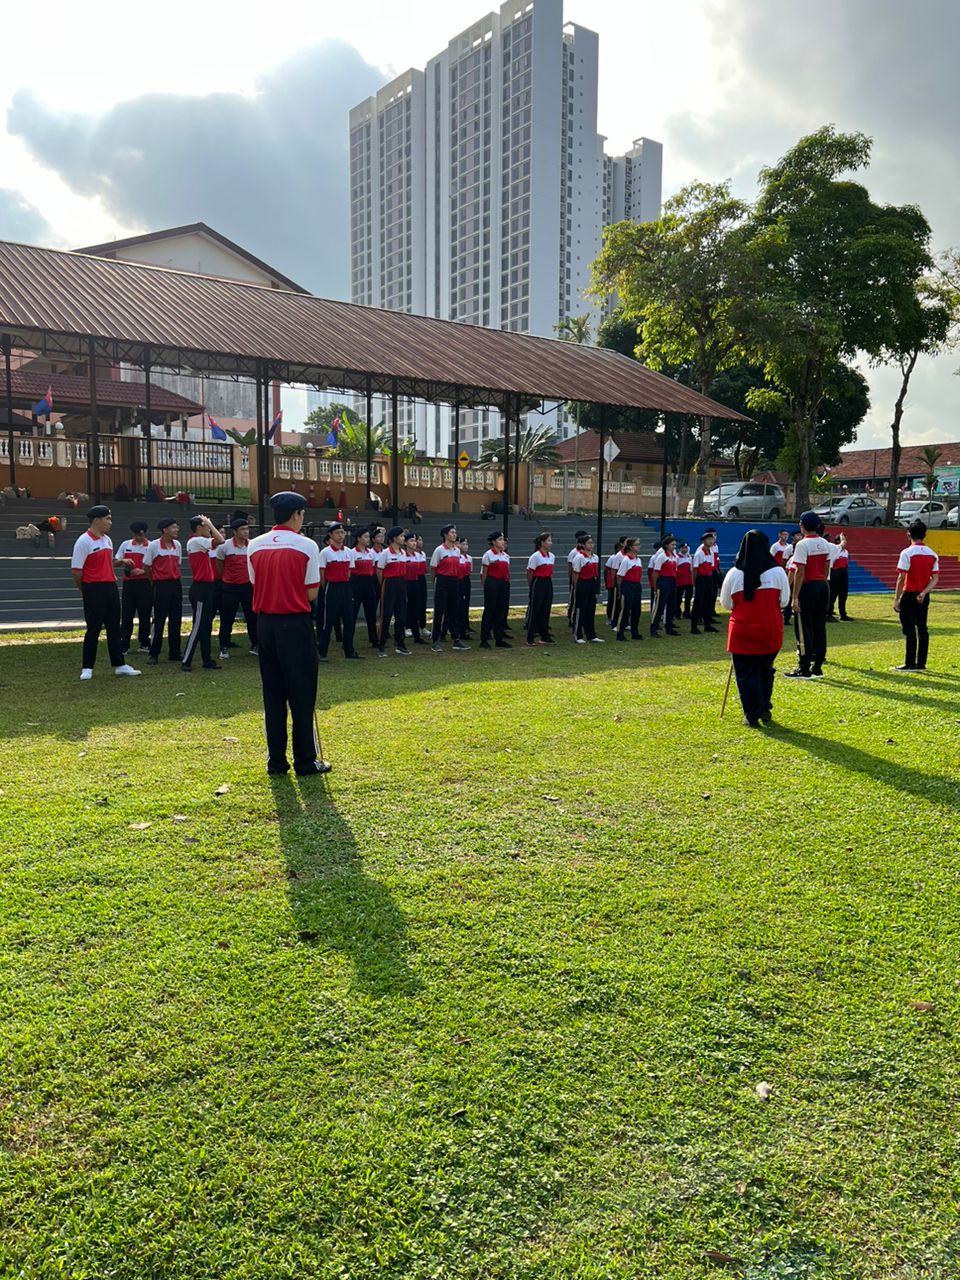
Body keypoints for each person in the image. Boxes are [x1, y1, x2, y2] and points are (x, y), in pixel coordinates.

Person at [248, 491, 329, 776]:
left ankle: (276, 763)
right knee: (302, 694)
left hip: (266, 625)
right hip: (295, 624)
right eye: (303, 514)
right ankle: (305, 761)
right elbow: (311, 592)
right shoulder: (306, 545)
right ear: (296, 514)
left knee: (273, 695)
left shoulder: (254, 546)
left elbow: (255, 583)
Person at [720, 529, 790, 727]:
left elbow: (726, 604)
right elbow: (784, 601)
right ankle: (764, 706)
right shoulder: (777, 572)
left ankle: (752, 713)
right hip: (770, 630)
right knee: (765, 670)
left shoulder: (734, 573)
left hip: (743, 631)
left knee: (745, 674)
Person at [71, 504, 141, 680]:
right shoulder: (83, 541)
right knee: (93, 629)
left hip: (110, 586)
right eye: (107, 519)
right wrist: (85, 590)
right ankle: (87, 667)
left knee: (113, 628)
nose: (110, 522)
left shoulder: (107, 540)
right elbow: (76, 571)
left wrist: (122, 561)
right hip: (93, 588)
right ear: (96, 520)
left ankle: (119, 664)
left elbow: (108, 562)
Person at [785, 511, 833, 680]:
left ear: (802, 526)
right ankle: (818, 665)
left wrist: (795, 597)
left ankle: (804, 666)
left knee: (803, 626)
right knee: (819, 625)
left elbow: (800, 571)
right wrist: (824, 581)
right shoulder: (825, 543)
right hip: (823, 585)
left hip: (808, 586)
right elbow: (827, 567)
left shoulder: (802, 545)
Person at [180, 514, 225, 672]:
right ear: (200, 527)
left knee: (205, 626)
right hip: (200, 588)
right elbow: (220, 540)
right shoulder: (196, 541)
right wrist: (211, 524)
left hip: (207, 587)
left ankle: (207, 659)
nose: (210, 530)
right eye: (206, 527)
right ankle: (186, 660)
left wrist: (209, 525)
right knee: (198, 626)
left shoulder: (199, 542)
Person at [893, 521, 939, 671]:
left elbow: (901, 578)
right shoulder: (932, 554)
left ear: (908, 534)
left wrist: (897, 599)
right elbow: (935, 578)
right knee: (922, 628)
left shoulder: (907, 553)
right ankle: (921, 663)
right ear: (925, 535)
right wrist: (924, 593)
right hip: (923, 595)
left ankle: (910, 662)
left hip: (909, 593)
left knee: (909, 628)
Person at [318, 523, 362, 661]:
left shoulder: (349, 552)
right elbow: (322, 573)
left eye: (342, 532)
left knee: (349, 619)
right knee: (328, 621)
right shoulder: (325, 552)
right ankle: (322, 652)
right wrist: (326, 588)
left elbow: (350, 572)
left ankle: (349, 651)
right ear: (330, 535)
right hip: (332, 587)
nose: (341, 535)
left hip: (346, 587)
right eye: (337, 533)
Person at [144, 517, 183, 664]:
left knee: (176, 619)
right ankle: (154, 653)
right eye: (173, 527)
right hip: (160, 585)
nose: (176, 529)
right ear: (165, 530)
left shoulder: (177, 545)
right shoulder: (154, 545)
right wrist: (154, 581)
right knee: (159, 620)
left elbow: (177, 564)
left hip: (175, 584)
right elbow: (146, 566)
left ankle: (175, 651)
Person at [217, 517, 257, 659]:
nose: (246, 532)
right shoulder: (225, 546)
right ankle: (224, 646)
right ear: (234, 532)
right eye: (242, 529)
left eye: (247, 529)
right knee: (227, 618)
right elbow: (220, 566)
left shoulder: (252, 545)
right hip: (230, 587)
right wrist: (226, 579)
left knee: (252, 617)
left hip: (247, 587)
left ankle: (255, 644)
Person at [115, 518, 152, 654]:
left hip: (144, 582)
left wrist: (142, 571)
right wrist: (123, 560)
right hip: (129, 583)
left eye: (141, 535)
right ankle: (125, 642)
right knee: (127, 613)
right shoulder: (126, 545)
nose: (138, 538)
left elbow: (155, 565)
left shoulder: (151, 546)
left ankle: (144, 641)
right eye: (136, 535)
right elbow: (115, 561)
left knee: (144, 613)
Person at [430, 524, 469, 652]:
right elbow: (433, 568)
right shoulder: (439, 550)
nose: (454, 534)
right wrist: (436, 581)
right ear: (445, 535)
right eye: (452, 532)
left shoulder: (457, 550)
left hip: (454, 581)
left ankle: (456, 639)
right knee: (440, 611)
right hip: (442, 580)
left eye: (455, 532)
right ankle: (435, 640)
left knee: (454, 609)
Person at [377, 526, 412, 657]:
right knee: (386, 615)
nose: (403, 538)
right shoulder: (386, 553)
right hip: (389, 583)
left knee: (401, 615)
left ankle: (400, 643)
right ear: (394, 538)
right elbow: (379, 571)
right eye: (401, 536)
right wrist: (384, 585)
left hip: (401, 583)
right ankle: (381, 644)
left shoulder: (403, 553)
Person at [479, 530, 511, 648]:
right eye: (500, 539)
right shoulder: (488, 555)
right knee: (490, 610)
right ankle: (484, 637)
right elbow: (485, 573)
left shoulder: (505, 556)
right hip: (492, 582)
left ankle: (499, 638)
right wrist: (485, 585)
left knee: (502, 610)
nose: (503, 542)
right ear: (493, 542)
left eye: (503, 539)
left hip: (504, 583)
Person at [351, 527, 380, 648]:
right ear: (358, 538)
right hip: (356, 583)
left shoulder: (371, 553)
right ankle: (348, 640)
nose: (368, 539)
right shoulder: (352, 552)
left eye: (368, 536)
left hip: (369, 582)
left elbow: (373, 567)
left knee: (371, 612)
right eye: (365, 537)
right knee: (352, 613)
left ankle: (373, 639)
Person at [571, 534, 603, 643]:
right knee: (580, 609)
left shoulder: (595, 557)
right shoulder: (579, 557)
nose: (591, 545)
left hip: (592, 583)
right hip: (582, 583)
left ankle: (591, 634)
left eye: (592, 543)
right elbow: (575, 574)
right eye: (589, 543)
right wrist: (576, 587)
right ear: (583, 545)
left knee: (591, 608)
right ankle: (578, 634)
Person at [526, 532, 555, 646]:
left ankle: (544, 635)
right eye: (548, 540)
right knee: (535, 609)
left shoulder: (552, 556)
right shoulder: (536, 556)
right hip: (538, 582)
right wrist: (531, 585)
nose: (550, 543)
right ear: (542, 543)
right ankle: (530, 636)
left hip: (547, 582)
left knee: (546, 608)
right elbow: (529, 572)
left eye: (551, 540)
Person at [649, 534, 680, 637]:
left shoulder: (674, 557)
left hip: (672, 581)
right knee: (660, 606)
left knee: (671, 605)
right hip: (663, 581)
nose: (674, 547)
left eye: (675, 545)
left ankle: (669, 627)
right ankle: (654, 628)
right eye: (672, 545)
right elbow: (656, 572)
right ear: (666, 545)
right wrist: (656, 586)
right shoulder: (662, 556)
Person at [615, 537, 643, 641]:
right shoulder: (626, 560)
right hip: (628, 586)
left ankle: (635, 633)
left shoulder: (638, 559)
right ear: (631, 547)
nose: (638, 546)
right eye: (636, 545)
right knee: (626, 610)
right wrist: (621, 589)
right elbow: (620, 576)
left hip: (636, 585)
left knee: (637, 611)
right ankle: (620, 633)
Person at [691, 532, 719, 634]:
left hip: (708, 578)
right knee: (698, 602)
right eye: (708, 540)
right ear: (703, 541)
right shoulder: (699, 553)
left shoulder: (711, 552)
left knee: (708, 601)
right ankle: (694, 626)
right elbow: (695, 569)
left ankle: (708, 625)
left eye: (711, 539)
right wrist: (695, 582)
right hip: (701, 579)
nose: (711, 541)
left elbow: (711, 567)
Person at [402, 532, 427, 644]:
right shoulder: (402, 555)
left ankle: (417, 635)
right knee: (405, 607)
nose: (414, 543)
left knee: (416, 607)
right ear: (406, 543)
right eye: (411, 541)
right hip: (405, 583)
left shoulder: (417, 556)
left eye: (415, 540)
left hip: (415, 582)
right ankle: (405, 628)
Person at [567, 530, 588, 627]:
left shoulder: (587, 552)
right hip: (575, 578)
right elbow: (570, 567)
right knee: (573, 599)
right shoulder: (574, 552)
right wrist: (572, 580)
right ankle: (571, 618)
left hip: (584, 579)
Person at [828, 533, 851, 621]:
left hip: (843, 572)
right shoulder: (835, 549)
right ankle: (829, 613)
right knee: (833, 594)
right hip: (835, 573)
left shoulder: (846, 552)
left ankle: (843, 613)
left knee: (843, 594)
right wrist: (842, 538)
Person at [605, 537, 625, 628]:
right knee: (612, 601)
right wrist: (609, 583)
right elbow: (607, 570)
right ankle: (611, 618)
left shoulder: (627, 556)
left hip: (623, 582)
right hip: (613, 583)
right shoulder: (614, 557)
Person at [457, 535, 474, 636]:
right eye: (463, 544)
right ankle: (460, 627)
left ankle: (466, 624)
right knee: (460, 604)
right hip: (459, 579)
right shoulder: (457, 557)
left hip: (466, 579)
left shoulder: (469, 558)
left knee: (466, 603)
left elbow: (470, 570)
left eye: (466, 544)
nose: (465, 546)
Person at [675, 541, 693, 619]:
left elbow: (691, 569)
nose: (684, 549)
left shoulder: (689, 557)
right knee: (678, 598)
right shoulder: (677, 557)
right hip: (680, 581)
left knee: (688, 598)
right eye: (683, 548)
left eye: (686, 548)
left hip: (688, 580)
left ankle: (687, 613)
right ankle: (677, 613)